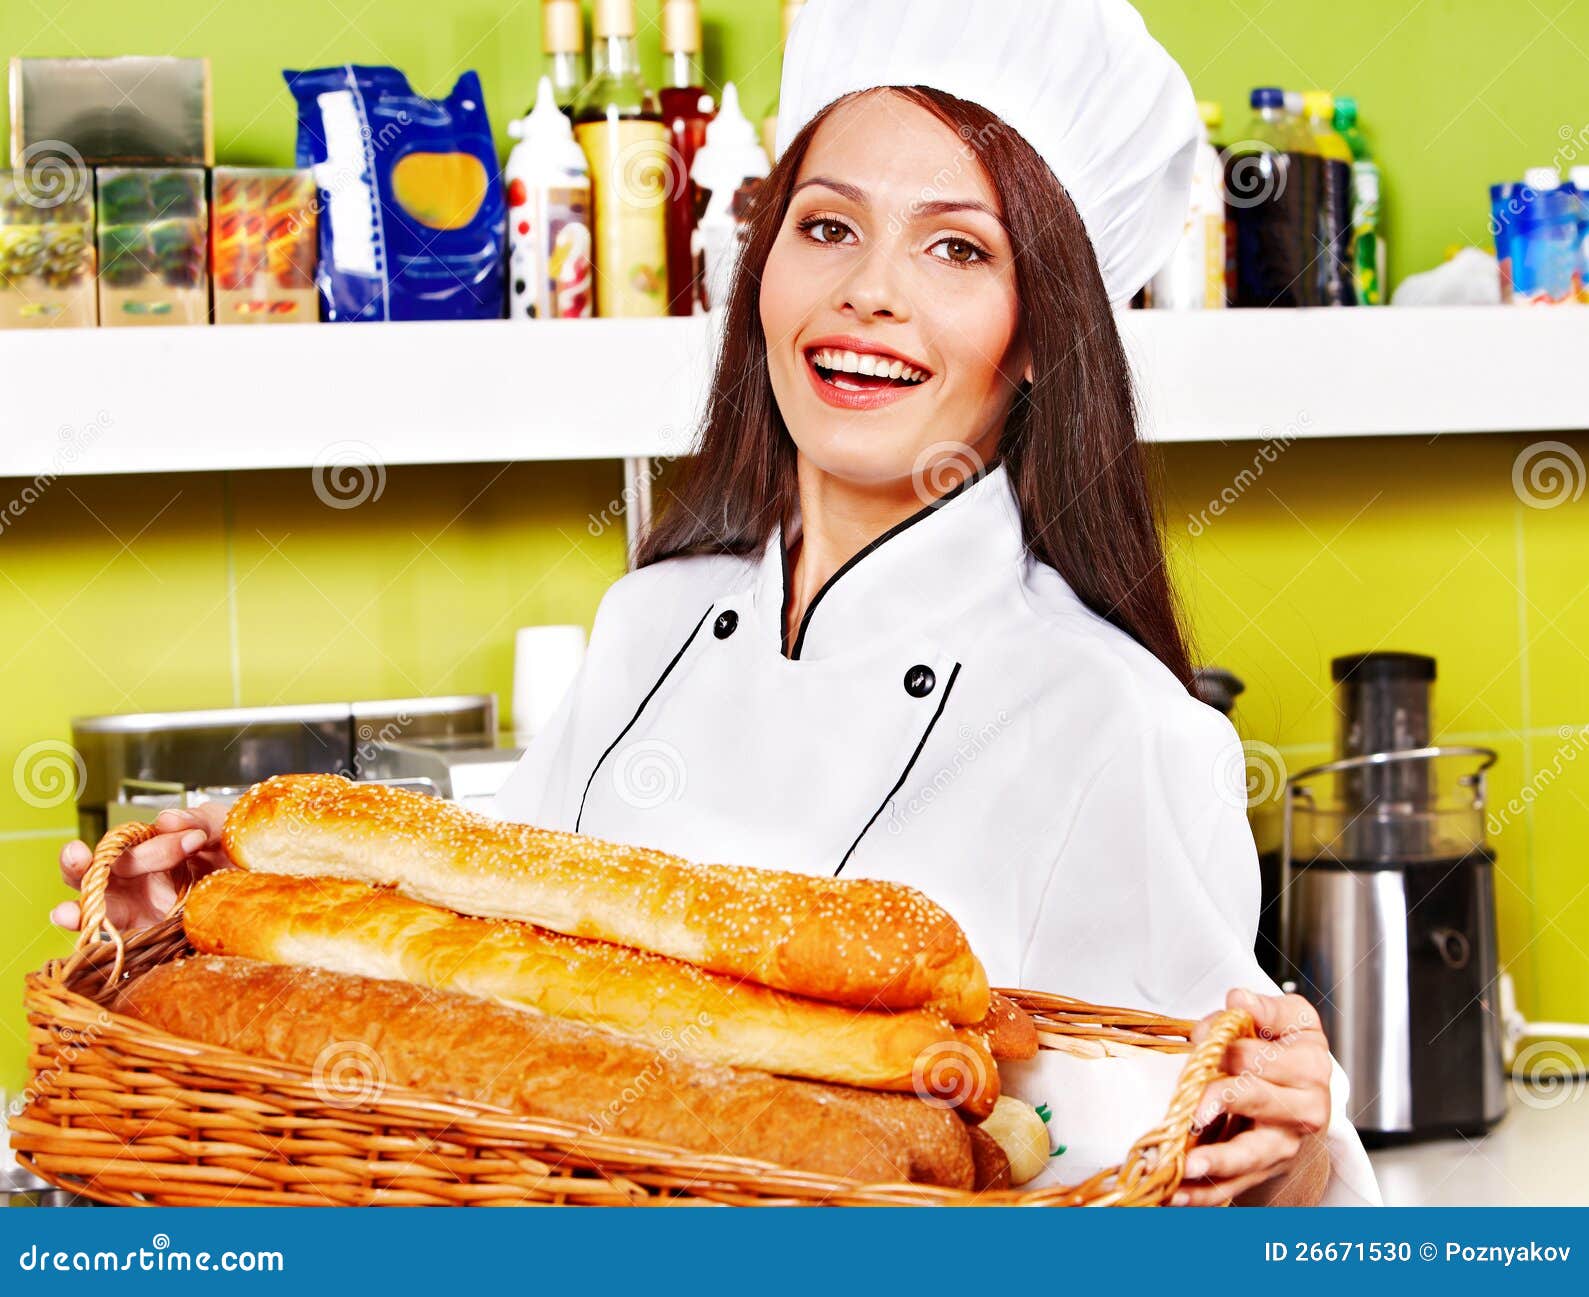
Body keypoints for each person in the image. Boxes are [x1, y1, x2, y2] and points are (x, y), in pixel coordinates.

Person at [55, 0, 1379, 1205]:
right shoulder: (650, 623)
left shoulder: (1117, 723)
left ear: (1040, 333)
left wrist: (1297, 1150)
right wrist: (189, 951)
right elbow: (486, 990)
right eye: (829, 225)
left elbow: (1219, 1150)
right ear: (763, 270)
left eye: (958, 248)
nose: (871, 289)